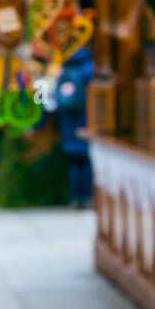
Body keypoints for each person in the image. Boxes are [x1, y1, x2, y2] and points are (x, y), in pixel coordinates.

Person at [55, 45, 95, 208]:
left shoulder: (62, 69)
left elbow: (43, 94)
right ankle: (87, 196)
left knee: (75, 163)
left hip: (67, 123)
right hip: (85, 120)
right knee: (86, 162)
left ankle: (75, 196)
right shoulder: (89, 68)